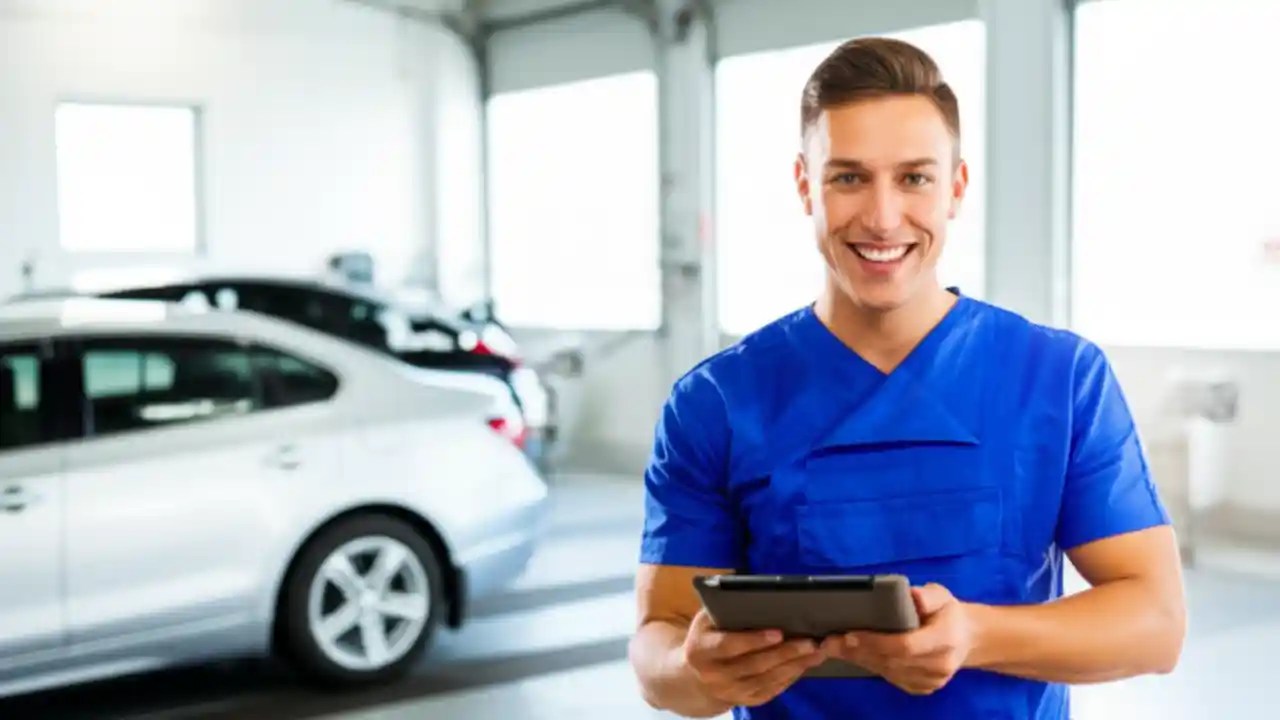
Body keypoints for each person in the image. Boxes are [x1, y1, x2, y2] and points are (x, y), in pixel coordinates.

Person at [627, 36, 1186, 719]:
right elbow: (657, 651)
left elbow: (1155, 625)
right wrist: (695, 670)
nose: (883, 217)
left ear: (955, 187)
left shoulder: (1060, 378)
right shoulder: (714, 405)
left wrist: (977, 635)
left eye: (914, 177)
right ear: (807, 185)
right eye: (849, 177)